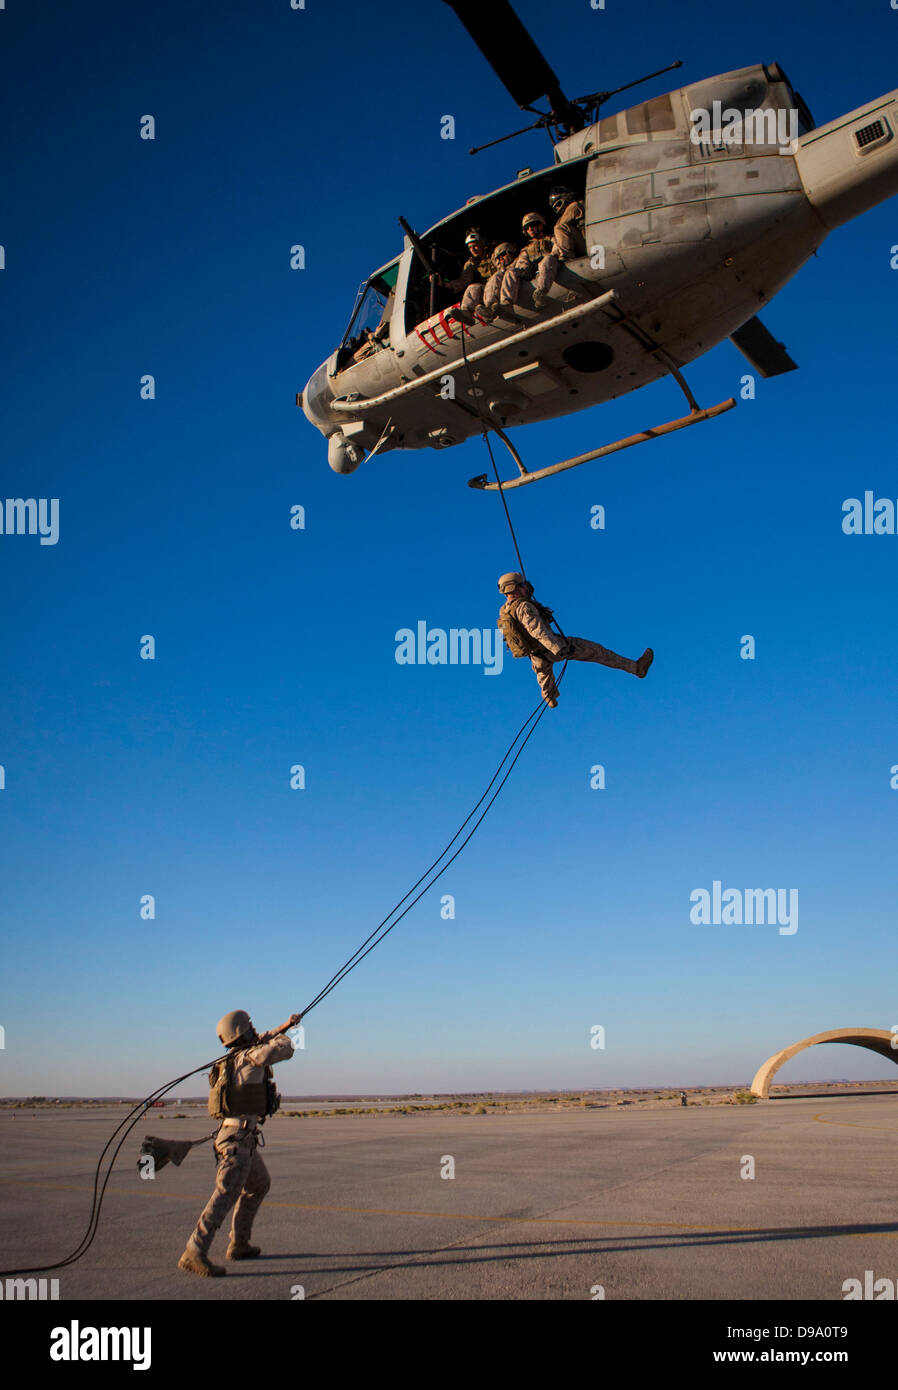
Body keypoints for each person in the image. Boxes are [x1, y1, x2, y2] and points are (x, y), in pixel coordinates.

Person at [177, 1007, 301, 1277]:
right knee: (226, 1193)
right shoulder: (252, 1057)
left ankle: (239, 1243)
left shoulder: (234, 1060)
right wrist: (286, 1034)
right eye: (251, 1028)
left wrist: (285, 1024)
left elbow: (262, 1041)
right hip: (238, 1140)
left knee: (259, 1185)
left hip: (238, 1137)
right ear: (243, 1033)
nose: (256, 1031)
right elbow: (285, 1049)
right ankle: (194, 1251)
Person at [496, 572, 653, 708]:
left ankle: (549, 697)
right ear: (513, 588)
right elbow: (538, 630)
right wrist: (558, 648)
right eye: (522, 584)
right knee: (598, 652)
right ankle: (636, 668)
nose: (526, 585)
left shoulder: (505, 610)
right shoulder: (523, 607)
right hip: (552, 647)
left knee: (544, 677)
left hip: (536, 656)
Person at [500, 212, 559, 313]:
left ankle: (541, 292)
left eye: (532, 225)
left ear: (540, 225)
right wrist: (527, 270)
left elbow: (557, 251)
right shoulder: (526, 250)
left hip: (550, 268)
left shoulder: (551, 239)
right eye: (527, 228)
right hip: (534, 273)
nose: (530, 229)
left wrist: (539, 262)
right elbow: (522, 264)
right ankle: (506, 303)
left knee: (548, 259)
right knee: (510, 272)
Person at [453, 241, 518, 322]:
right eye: (498, 257)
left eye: (504, 254)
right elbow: (463, 280)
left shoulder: (514, 262)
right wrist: (447, 286)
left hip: (504, 286)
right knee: (473, 287)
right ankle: (467, 312)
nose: (501, 258)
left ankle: (494, 306)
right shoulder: (472, 263)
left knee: (496, 276)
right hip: (493, 288)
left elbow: (519, 269)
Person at [549, 186, 587, 260]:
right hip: (585, 243)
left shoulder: (575, 206)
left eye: (558, 204)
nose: (557, 208)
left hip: (587, 243)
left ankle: (566, 257)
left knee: (559, 229)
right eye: (555, 207)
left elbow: (559, 226)